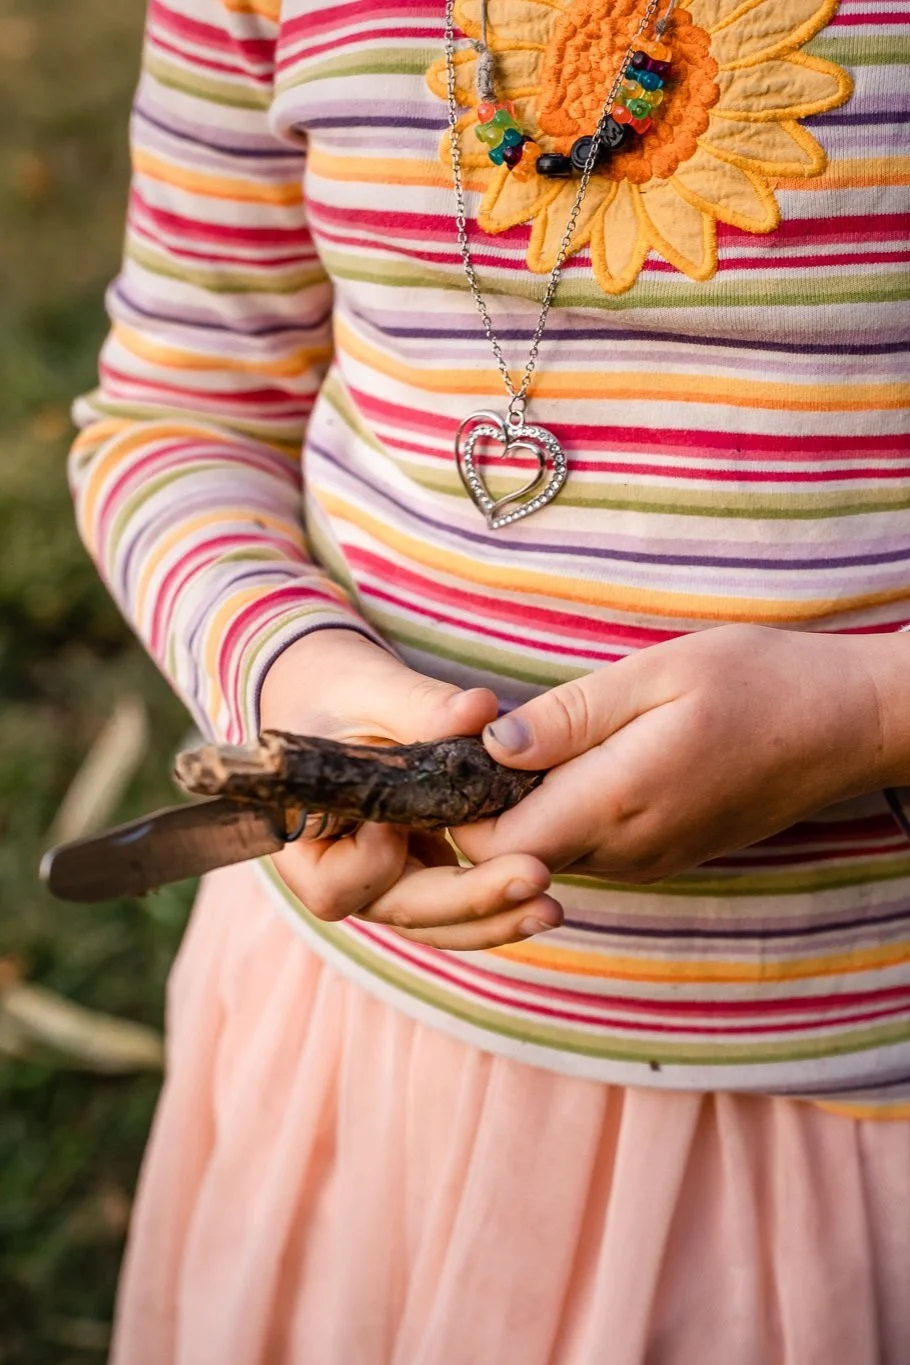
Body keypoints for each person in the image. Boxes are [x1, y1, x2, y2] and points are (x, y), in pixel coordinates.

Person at [69, 0, 910, 1359]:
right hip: (373, 1047)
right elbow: (178, 411)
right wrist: (285, 665)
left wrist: (875, 714)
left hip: (846, 1085)